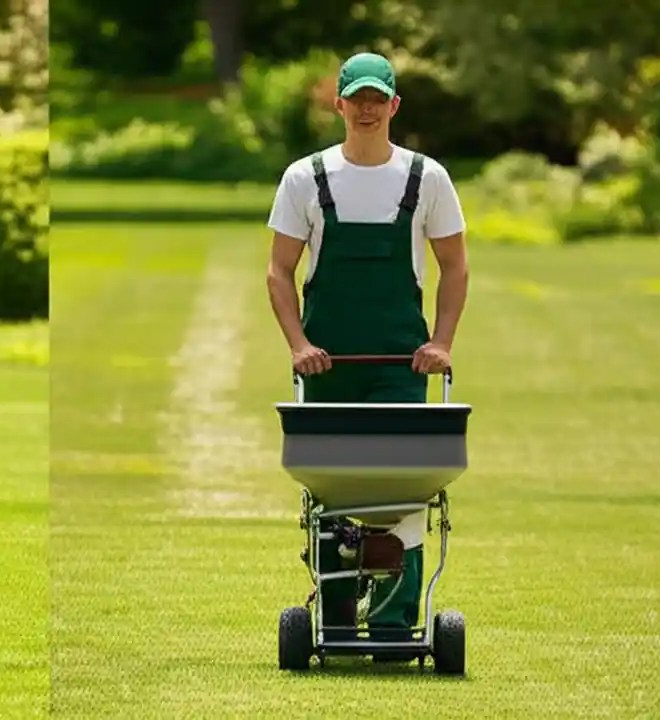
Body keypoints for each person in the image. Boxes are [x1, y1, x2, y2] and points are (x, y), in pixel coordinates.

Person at [265, 52, 469, 652]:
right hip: (327, 365)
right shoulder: (306, 179)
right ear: (340, 104)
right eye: (357, 98)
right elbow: (279, 272)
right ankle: (332, 619)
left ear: (394, 106)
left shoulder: (425, 178)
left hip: (400, 365)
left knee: (403, 487)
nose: (367, 109)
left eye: (378, 98)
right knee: (333, 493)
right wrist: (299, 344)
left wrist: (441, 343)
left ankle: (393, 626)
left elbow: (454, 268)